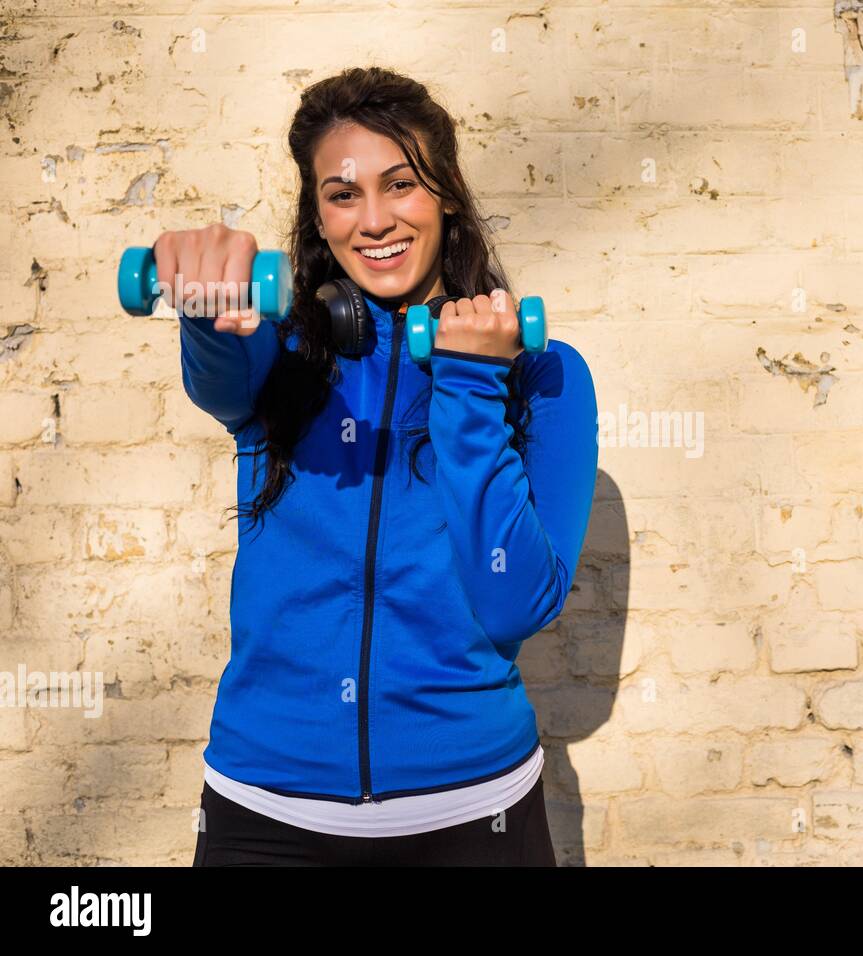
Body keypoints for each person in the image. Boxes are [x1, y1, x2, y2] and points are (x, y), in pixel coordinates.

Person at [154, 67, 597, 866]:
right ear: (316, 217)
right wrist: (205, 302)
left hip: (474, 815)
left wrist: (469, 383)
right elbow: (218, 368)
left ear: (448, 195)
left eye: (402, 185)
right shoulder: (279, 351)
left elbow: (514, 606)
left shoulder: (542, 373)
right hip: (264, 816)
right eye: (343, 194)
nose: (376, 220)